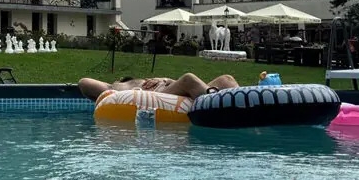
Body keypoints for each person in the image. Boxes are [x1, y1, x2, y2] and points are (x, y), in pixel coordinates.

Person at [77, 72, 238, 102]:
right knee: (189, 78)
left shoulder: (146, 79)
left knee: (226, 79)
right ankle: (217, 104)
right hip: (157, 96)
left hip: (169, 88)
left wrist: (165, 79)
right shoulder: (115, 87)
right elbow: (84, 83)